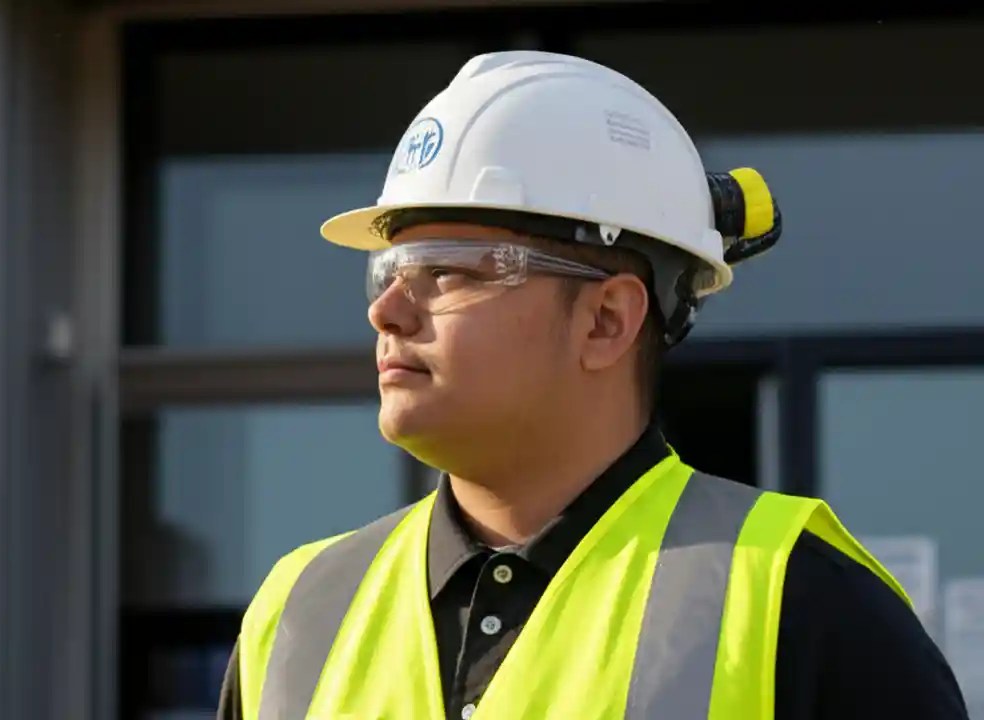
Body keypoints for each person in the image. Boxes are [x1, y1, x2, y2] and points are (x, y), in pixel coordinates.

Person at [216, 51, 969, 719]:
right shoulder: (297, 615)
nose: (387, 311)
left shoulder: (799, 602)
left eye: (445, 270)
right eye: (388, 273)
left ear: (607, 319)